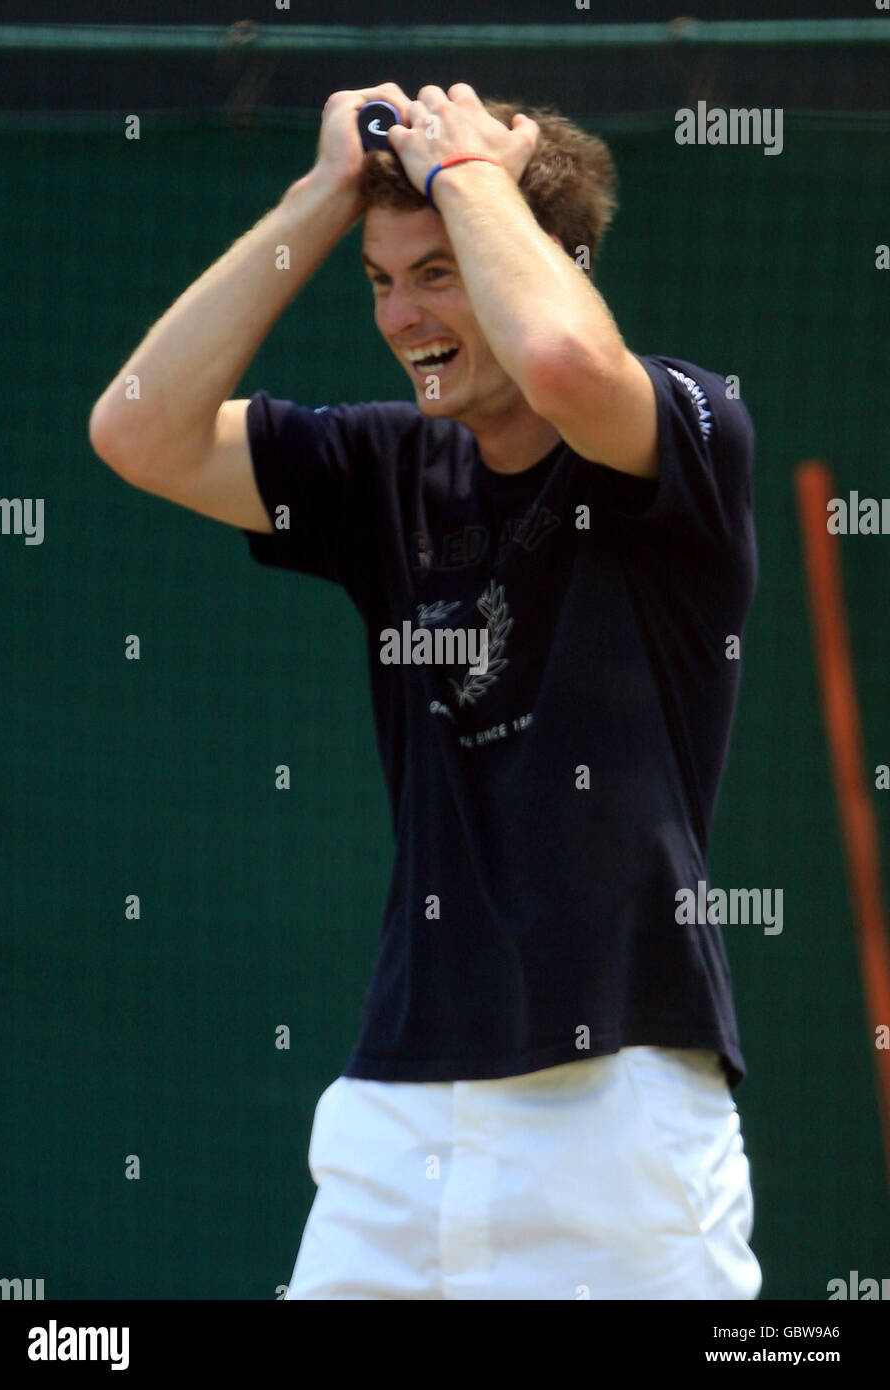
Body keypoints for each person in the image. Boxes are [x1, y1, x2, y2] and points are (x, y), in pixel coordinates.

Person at [89, 81, 762, 1301]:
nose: (403, 317)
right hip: (393, 1118)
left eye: (438, 273)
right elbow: (137, 430)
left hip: (617, 1119)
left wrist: (471, 175)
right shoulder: (380, 466)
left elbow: (562, 355)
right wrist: (323, 195)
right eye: (381, 280)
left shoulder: (685, 427)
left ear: (533, 252)